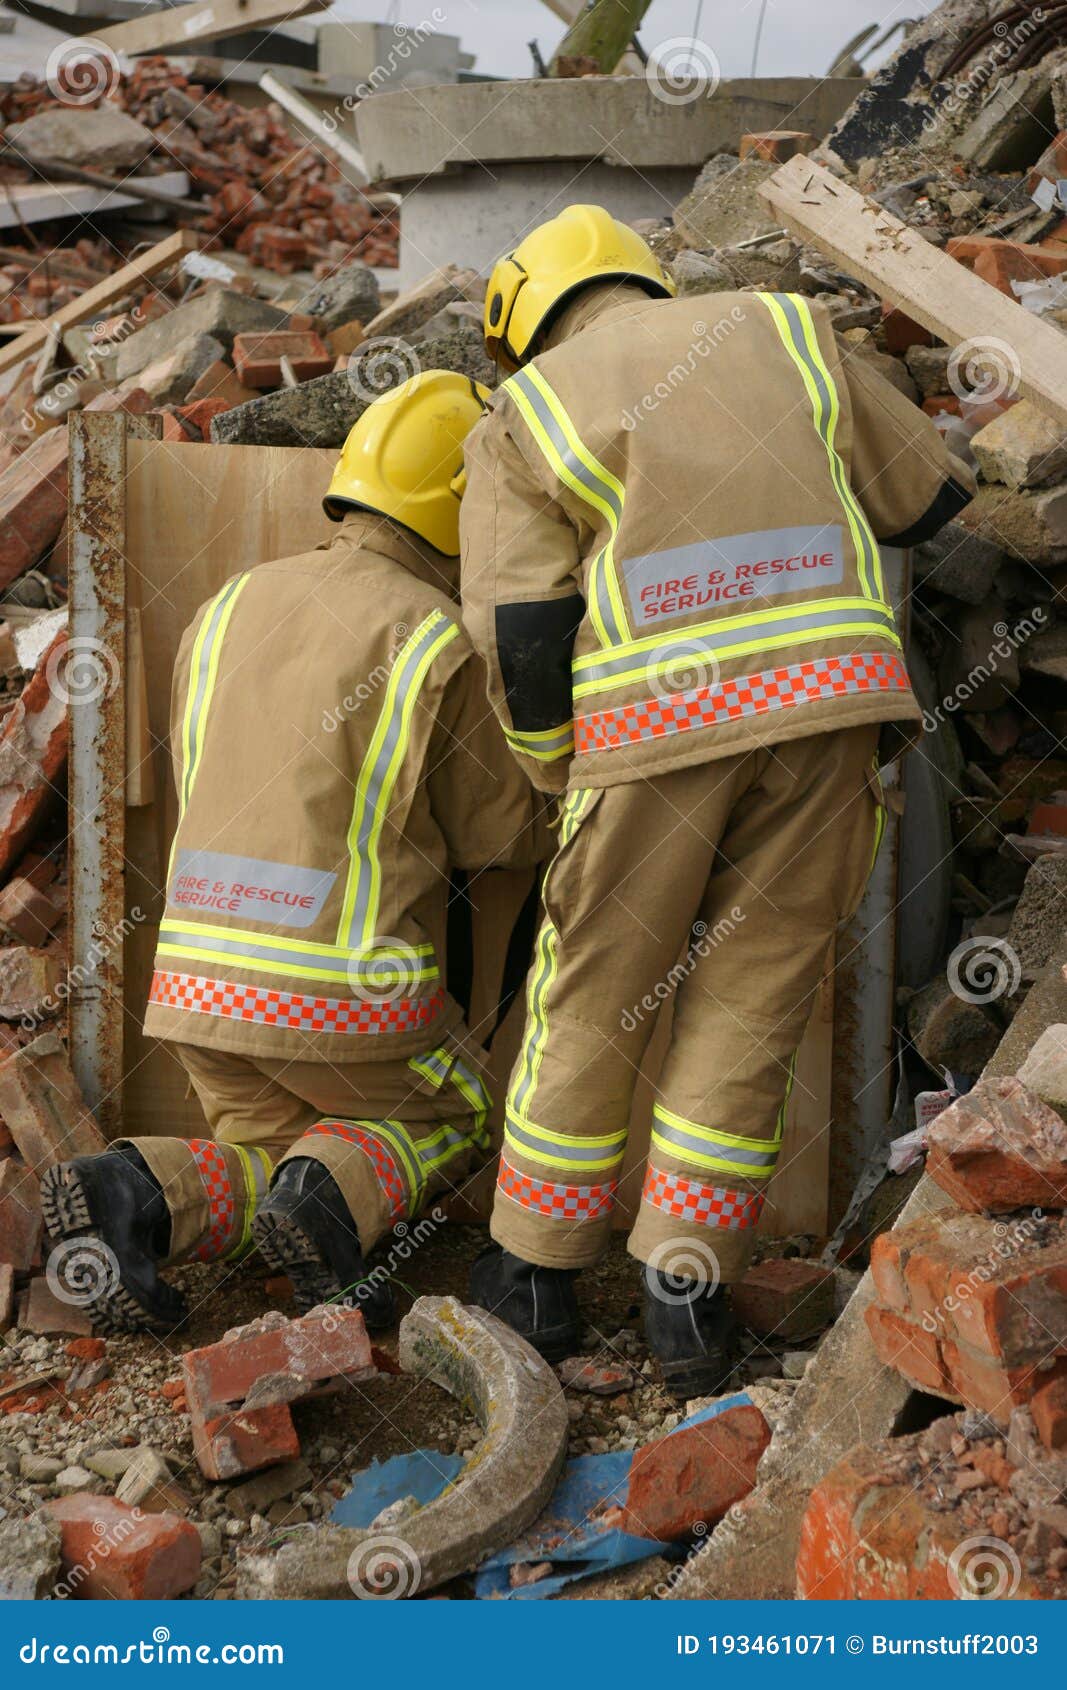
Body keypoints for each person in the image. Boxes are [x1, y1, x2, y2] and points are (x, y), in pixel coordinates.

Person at [460, 204, 975, 1396]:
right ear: (644, 277)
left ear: (523, 325)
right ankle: (684, 1305)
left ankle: (534, 1280)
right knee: (753, 998)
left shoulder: (523, 409)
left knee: (593, 987)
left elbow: (525, 633)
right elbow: (927, 507)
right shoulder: (789, 332)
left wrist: (555, 765)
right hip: (833, 710)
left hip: (650, 730)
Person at [42, 370, 543, 1335]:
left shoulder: (230, 605)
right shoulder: (435, 634)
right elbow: (499, 836)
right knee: (461, 1113)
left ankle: (129, 1191)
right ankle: (334, 1204)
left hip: (194, 992)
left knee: (278, 1162)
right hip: (343, 997)